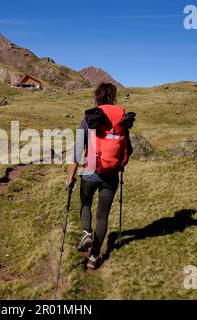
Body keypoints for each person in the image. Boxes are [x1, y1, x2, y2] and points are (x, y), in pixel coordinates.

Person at [66, 83, 134, 270]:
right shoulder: (121, 119)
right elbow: (128, 149)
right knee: (102, 217)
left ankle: (86, 232)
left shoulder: (89, 118)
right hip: (111, 175)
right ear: (113, 97)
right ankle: (94, 257)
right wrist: (120, 165)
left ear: (97, 97)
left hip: (90, 172)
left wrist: (71, 176)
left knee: (85, 203)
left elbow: (78, 150)